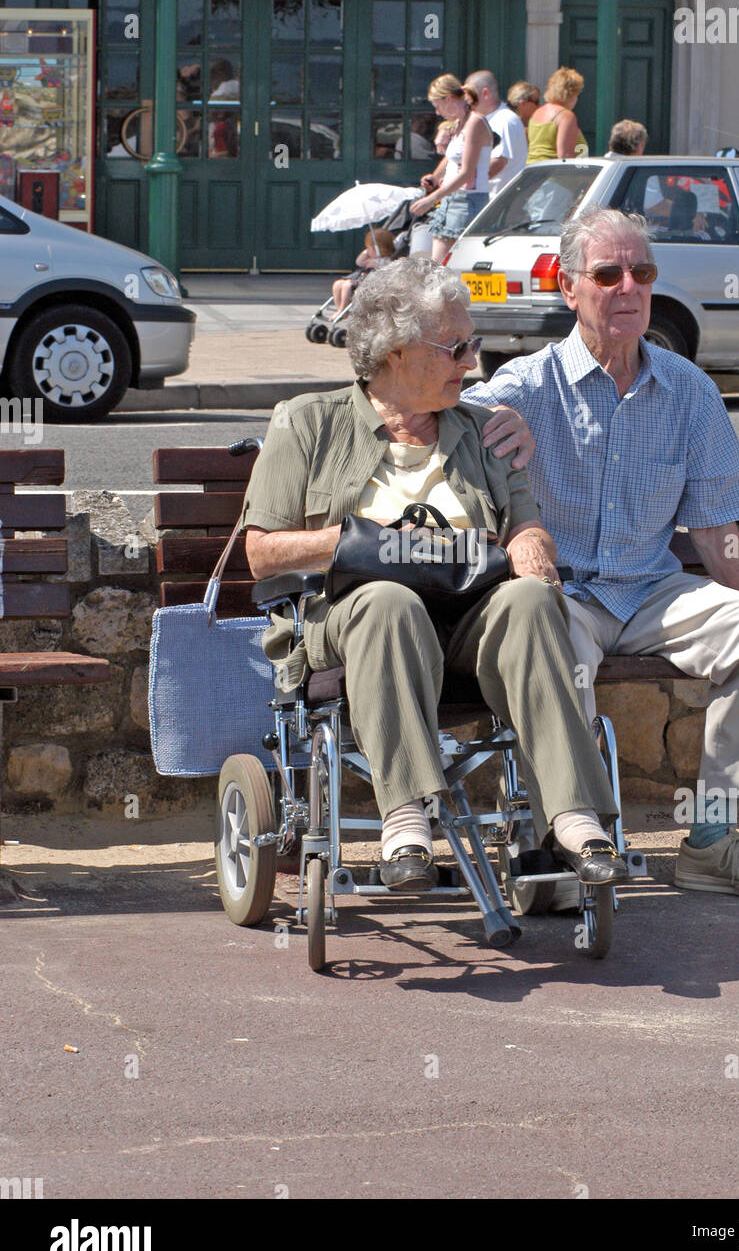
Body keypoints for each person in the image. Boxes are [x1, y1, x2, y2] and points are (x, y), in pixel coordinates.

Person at [462, 206, 739, 901]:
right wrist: (479, 429)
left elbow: (716, 531)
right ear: (568, 289)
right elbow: (431, 424)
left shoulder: (689, 391)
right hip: (563, 590)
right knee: (550, 648)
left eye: (642, 272)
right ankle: (562, 843)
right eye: (608, 273)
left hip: (652, 588)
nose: (628, 287)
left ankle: (713, 843)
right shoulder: (523, 389)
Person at [241, 257, 621, 894]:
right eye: (456, 347)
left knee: (528, 599)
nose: (471, 361)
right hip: (353, 620)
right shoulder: (306, 422)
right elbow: (262, 554)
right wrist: (372, 546)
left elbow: (524, 523)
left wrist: (532, 547)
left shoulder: (483, 429)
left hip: (470, 620)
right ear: (393, 352)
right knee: (389, 598)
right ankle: (406, 819)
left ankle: (574, 818)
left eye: (472, 344)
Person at [409, 75, 494, 264]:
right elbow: (451, 159)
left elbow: (466, 172)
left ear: (449, 99)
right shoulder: (459, 124)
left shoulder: (475, 123)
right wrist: (435, 176)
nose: (437, 112)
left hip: (467, 200)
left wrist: (432, 199)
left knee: (448, 266)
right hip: (452, 198)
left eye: (437, 106)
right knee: (439, 265)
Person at [463, 69, 528, 196]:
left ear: (485, 93)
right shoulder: (479, 119)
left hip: (496, 202)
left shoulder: (504, 120)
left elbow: (498, 162)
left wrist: (463, 184)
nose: (465, 100)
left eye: (469, 94)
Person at [527, 67, 588, 163]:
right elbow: (565, 156)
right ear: (571, 94)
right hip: (553, 175)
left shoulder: (537, 113)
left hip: (532, 171)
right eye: (577, 94)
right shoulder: (565, 116)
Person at [330, 227, 395, 315]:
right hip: (361, 278)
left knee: (347, 286)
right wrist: (366, 253)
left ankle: (342, 310)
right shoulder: (370, 259)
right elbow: (359, 262)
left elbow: (390, 271)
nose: (367, 250)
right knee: (337, 284)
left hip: (372, 283)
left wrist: (378, 265)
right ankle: (340, 309)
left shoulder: (386, 261)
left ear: (378, 249)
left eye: (368, 248)